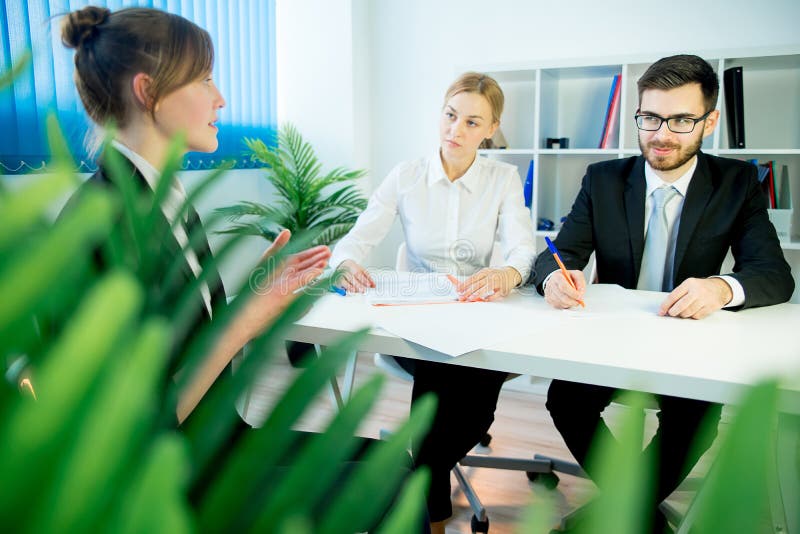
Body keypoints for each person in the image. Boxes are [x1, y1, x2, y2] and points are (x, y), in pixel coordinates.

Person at [60, 7, 423, 531]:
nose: (221, 98)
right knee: (392, 476)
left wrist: (258, 291)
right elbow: (145, 424)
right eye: (204, 78)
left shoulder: (165, 198)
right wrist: (247, 319)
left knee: (398, 464)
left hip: (218, 441)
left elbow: (185, 341)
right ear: (149, 92)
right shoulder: (107, 224)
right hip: (179, 480)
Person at [531, 54, 794, 532]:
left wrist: (720, 287)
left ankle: (624, 511)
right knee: (564, 399)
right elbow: (557, 254)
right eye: (650, 117)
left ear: (709, 121)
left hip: (689, 343)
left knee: (695, 416)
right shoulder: (603, 179)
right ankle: (637, 510)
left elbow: (774, 274)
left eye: (681, 120)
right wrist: (555, 277)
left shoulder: (737, 184)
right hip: (612, 340)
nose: (662, 133)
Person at [330, 72, 537, 533]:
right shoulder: (406, 177)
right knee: (441, 390)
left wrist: (507, 272)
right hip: (422, 321)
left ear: (491, 128)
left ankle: (420, 483)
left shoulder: (502, 179)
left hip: (478, 315)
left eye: (471, 122)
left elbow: (524, 247)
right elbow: (357, 239)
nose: (455, 131)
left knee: (460, 414)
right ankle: (432, 515)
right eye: (449, 116)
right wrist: (344, 262)